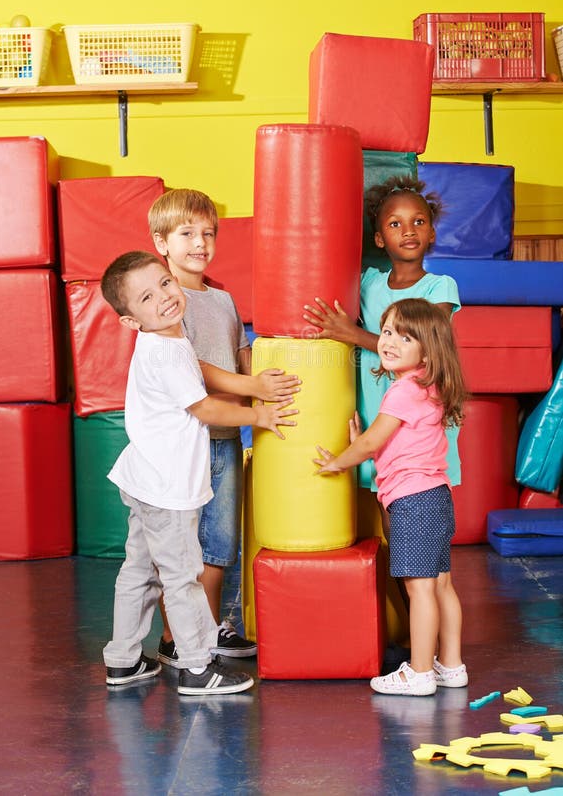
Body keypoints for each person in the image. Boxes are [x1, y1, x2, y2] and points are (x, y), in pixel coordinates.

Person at [101, 251, 298, 694]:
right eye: (148, 298)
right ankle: (196, 666)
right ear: (132, 321)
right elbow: (204, 406)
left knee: (139, 571)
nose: (166, 298)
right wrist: (260, 416)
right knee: (181, 575)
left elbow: (200, 371)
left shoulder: (169, 338)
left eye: (165, 284)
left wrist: (250, 388)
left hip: (145, 479)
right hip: (166, 488)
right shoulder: (164, 353)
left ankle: (123, 659)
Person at [148, 188, 295, 667]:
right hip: (185, 442)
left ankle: (206, 630)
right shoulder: (167, 302)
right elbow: (195, 368)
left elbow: (236, 353)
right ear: (161, 243)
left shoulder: (223, 299)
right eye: (187, 233)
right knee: (184, 549)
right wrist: (253, 384)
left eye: (208, 233)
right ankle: (178, 638)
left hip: (225, 438)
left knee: (218, 547)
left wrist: (272, 359)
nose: (200, 242)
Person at [314, 298, 468, 696]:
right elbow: (392, 443)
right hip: (436, 496)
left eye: (405, 336)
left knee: (419, 589)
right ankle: (451, 665)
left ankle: (418, 673)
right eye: (386, 332)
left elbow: (372, 442)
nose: (389, 342)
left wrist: (339, 462)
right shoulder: (429, 386)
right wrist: (367, 444)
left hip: (413, 501)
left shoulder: (403, 392)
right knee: (441, 585)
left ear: (428, 350)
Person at [302, 175, 461, 491]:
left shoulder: (439, 286)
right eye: (395, 224)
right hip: (376, 404)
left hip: (416, 414)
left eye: (418, 222)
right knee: (388, 495)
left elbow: (427, 340)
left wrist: (353, 334)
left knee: (416, 491)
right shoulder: (369, 284)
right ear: (378, 239)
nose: (408, 231)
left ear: (431, 233)